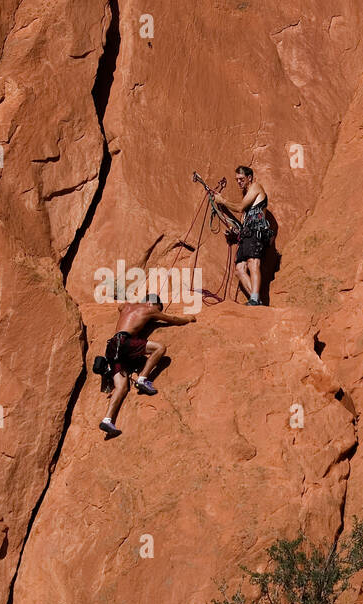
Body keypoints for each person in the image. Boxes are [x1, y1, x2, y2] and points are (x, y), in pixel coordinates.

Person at [98, 294, 196, 437]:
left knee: (122, 387)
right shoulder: (149, 309)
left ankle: (107, 420)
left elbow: (121, 306)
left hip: (112, 346)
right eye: (158, 309)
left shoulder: (126, 306)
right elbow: (173, 320)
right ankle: (142, 379)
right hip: (126, 343)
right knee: (160, 348)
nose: (156, 313)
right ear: (151, 303)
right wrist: (188, 319)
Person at [214, 165, 272, 305]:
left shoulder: (256, 187)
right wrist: (234, 232)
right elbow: (243, 220)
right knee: (239, 270)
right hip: (247, 234)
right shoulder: (248, 196)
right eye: (237, 180)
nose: (239, 182)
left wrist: (222, 201)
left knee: (253, 262)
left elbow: (240, 207)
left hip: (256, 231)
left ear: (249, 178)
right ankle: (256, 299)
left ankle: (254, 299)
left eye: (241, 179)